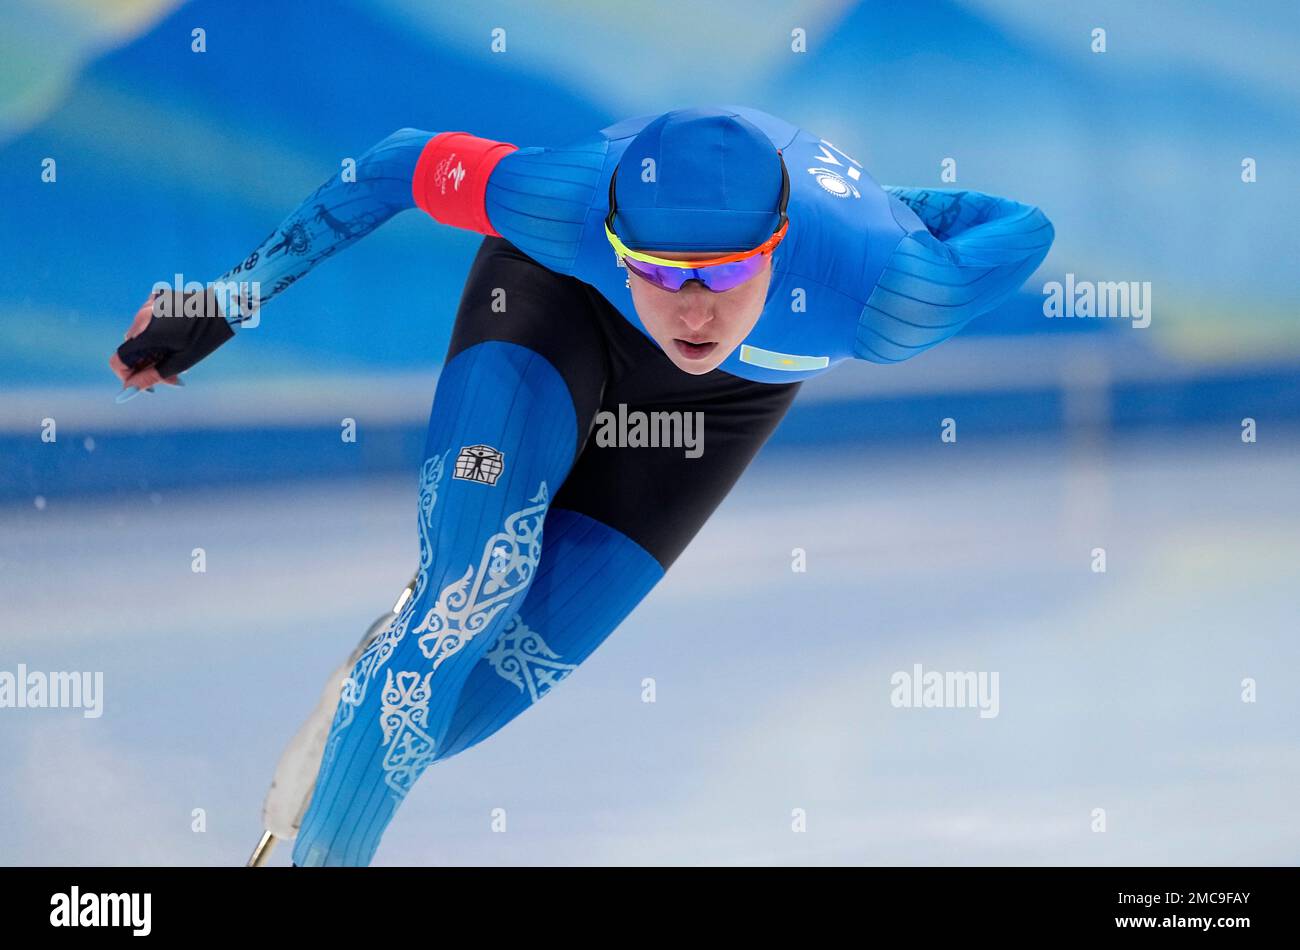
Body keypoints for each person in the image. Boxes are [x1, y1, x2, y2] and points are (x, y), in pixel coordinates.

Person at [110, 106, 1054, 866]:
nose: (691, 309)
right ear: (615, 233)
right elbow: (399, 163)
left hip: (722, 406)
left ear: (775, 244)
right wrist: (219, 303)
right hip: (554, 302)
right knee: (462, 603)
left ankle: (374, 681)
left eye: (724, 271)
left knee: (465, 704)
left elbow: (1024, 225)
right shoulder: (558, 199)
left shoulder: (891, 292)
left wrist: (875, 201)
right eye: (660, 269)